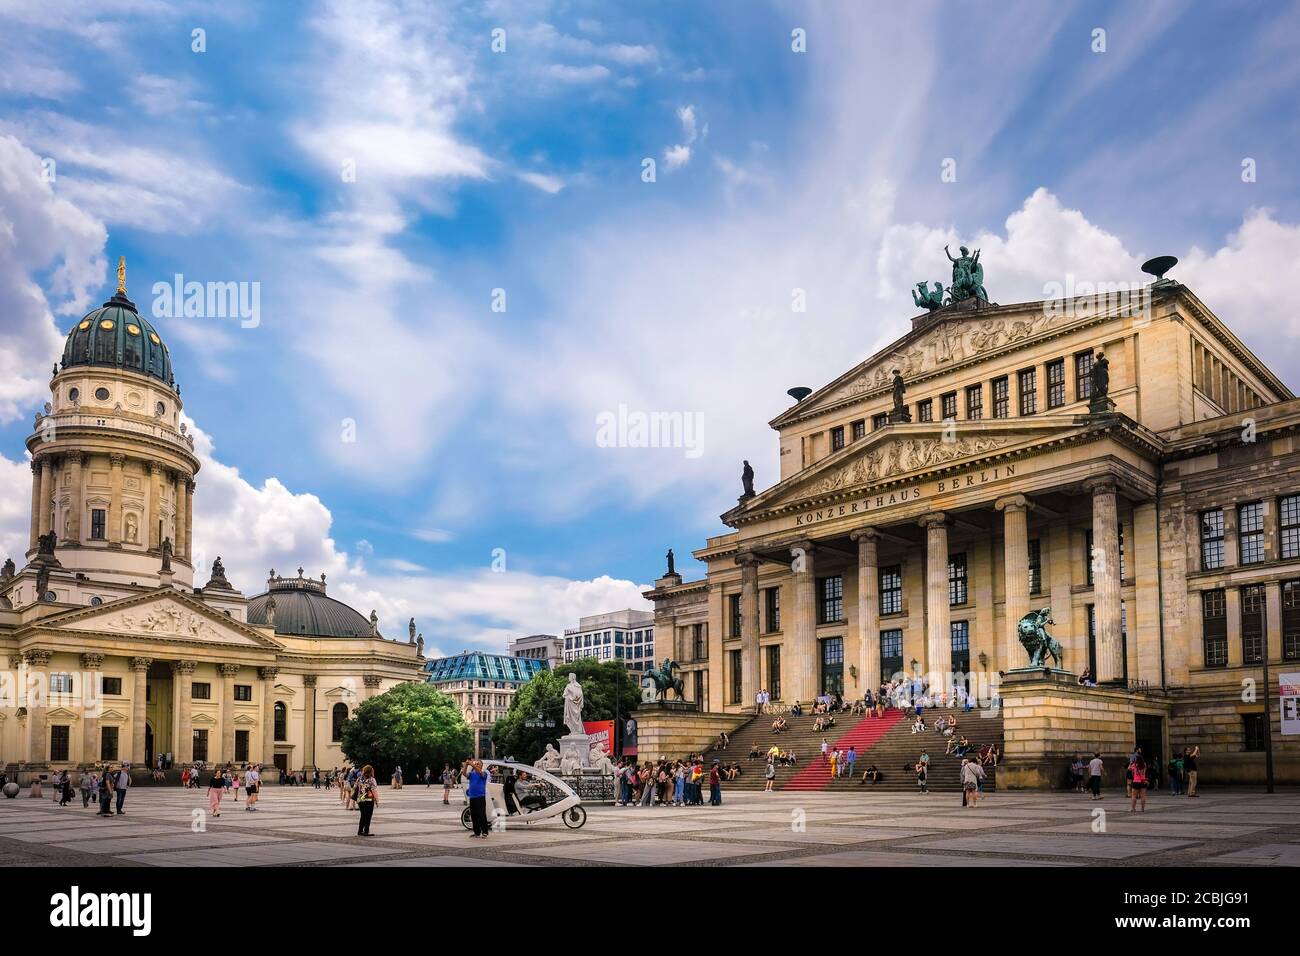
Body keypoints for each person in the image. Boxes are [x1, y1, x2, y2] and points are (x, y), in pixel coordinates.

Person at [466, 759, 490, 837]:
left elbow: (481, 773)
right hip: (472, 797)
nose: (476, 764)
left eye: (478, 764)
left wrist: (472, 764)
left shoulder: (484, 773)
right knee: (474, 815)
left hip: (480, 797)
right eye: (475, 763)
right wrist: (466, 765)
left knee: (481, 815)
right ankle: (477, 832)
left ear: (481, 766)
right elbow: (464, 774)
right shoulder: (472, 774)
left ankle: (485, 832)